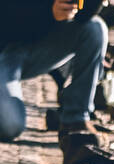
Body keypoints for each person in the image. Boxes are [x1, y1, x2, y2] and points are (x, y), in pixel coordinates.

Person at [0, 1, 107, 143]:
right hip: (5, 47)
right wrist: (48, 11)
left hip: (35, 47)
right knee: (11, 125)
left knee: (94, 28)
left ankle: (75, 120)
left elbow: (83, 15)